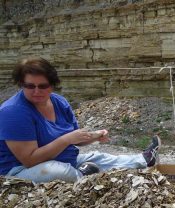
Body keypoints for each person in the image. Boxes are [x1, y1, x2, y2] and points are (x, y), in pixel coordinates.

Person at [0, 57, 160, 184]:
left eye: (43, 86)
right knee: (57, 171)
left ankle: (144, 159)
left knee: (98, 157)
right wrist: (66, 139)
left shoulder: (59, 102)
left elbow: (73, 138)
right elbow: (30, 160)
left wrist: (95, 135)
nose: (36, 91)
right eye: (30, 86)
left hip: (63, 159)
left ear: (52, 85)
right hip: (21, 171)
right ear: (21, 85)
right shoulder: (14, 112)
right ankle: (86, 178)